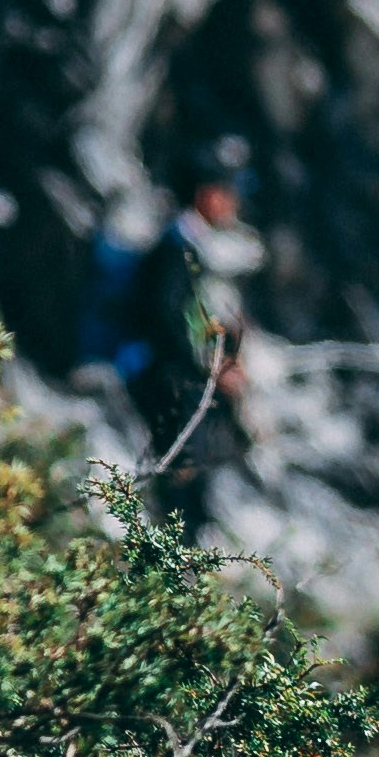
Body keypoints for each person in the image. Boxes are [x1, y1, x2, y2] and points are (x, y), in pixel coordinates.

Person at [129, 138, 264, 511]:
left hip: (183, 376)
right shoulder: (177, 248)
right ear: (207, 194)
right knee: (183, 481)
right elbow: (166, 317)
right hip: (174, 379)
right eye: (228, 192)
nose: (233, 203)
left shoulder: (188, 245)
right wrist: (210, 368)